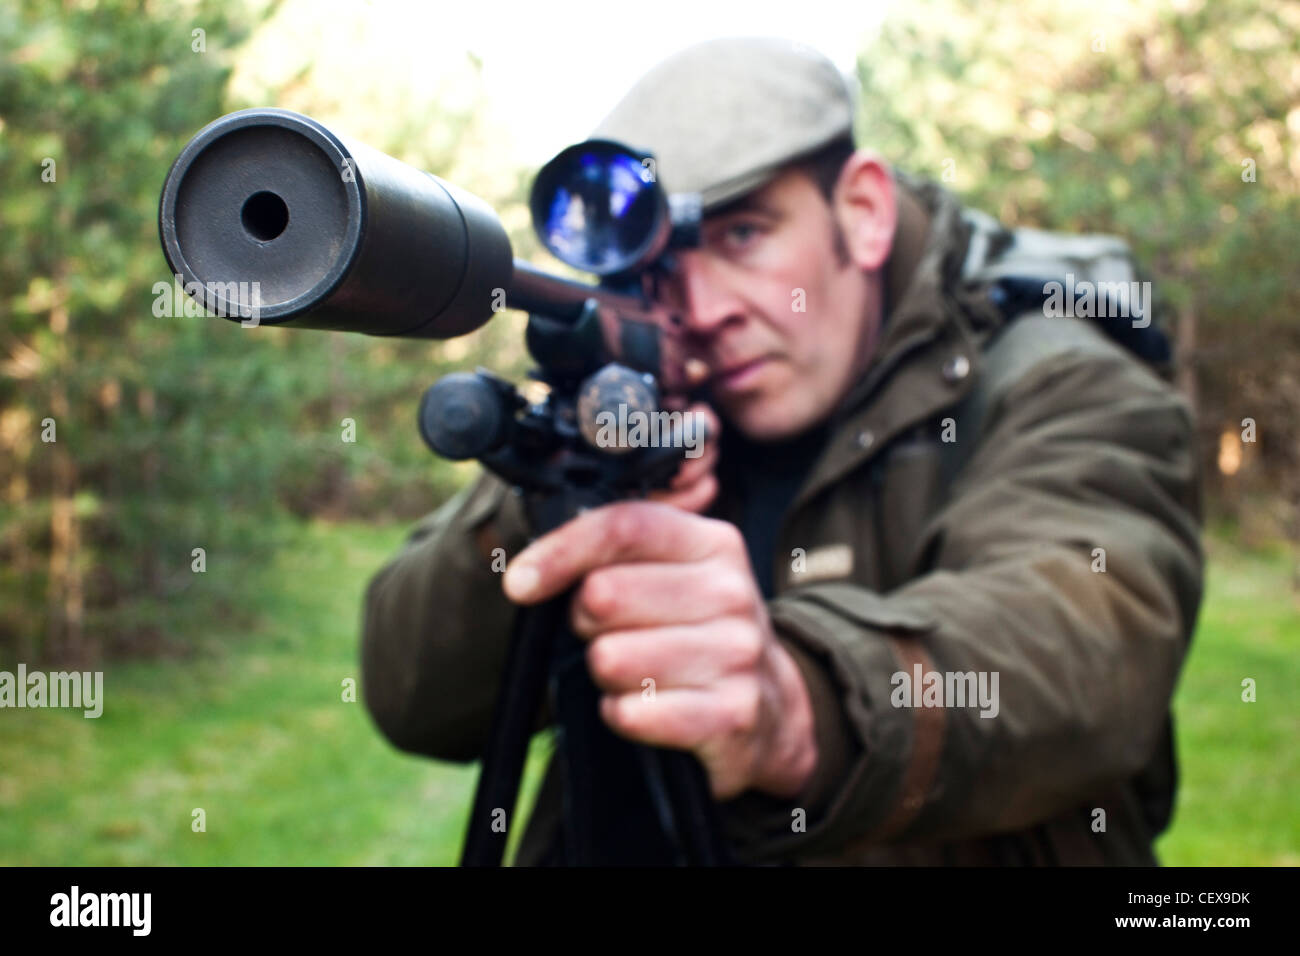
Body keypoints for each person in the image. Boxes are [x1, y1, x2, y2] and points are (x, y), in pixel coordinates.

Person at [360, 36, 1204, 865]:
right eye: (661, 266)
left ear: (863, 212)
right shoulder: (654, 403)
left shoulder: (1053, 372)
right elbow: (412, 698)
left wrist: (799, 707)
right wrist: (557, 485)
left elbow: (1083, 647)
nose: (704, 306)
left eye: (743, 236)